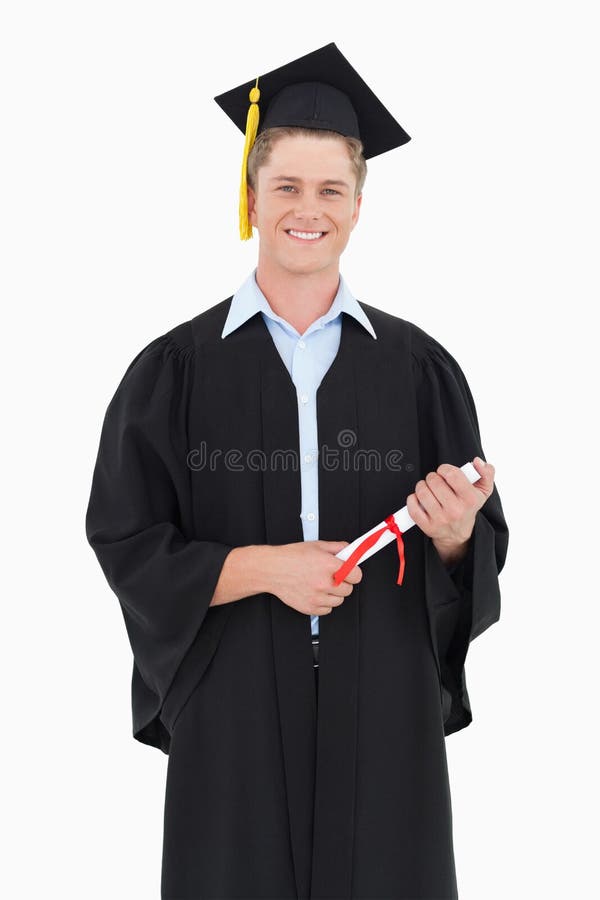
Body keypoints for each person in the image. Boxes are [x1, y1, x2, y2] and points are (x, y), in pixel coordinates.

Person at [85, 42, 509, 900]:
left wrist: (458, 534)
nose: (306, 209)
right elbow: (125, 537)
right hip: (233, 706)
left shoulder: (419, 367)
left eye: (329, 190)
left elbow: (475, 555)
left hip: (384, 702)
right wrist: (263, 569)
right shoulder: (176, 368)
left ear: (358, 207)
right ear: (251, 195)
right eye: (285, 186)